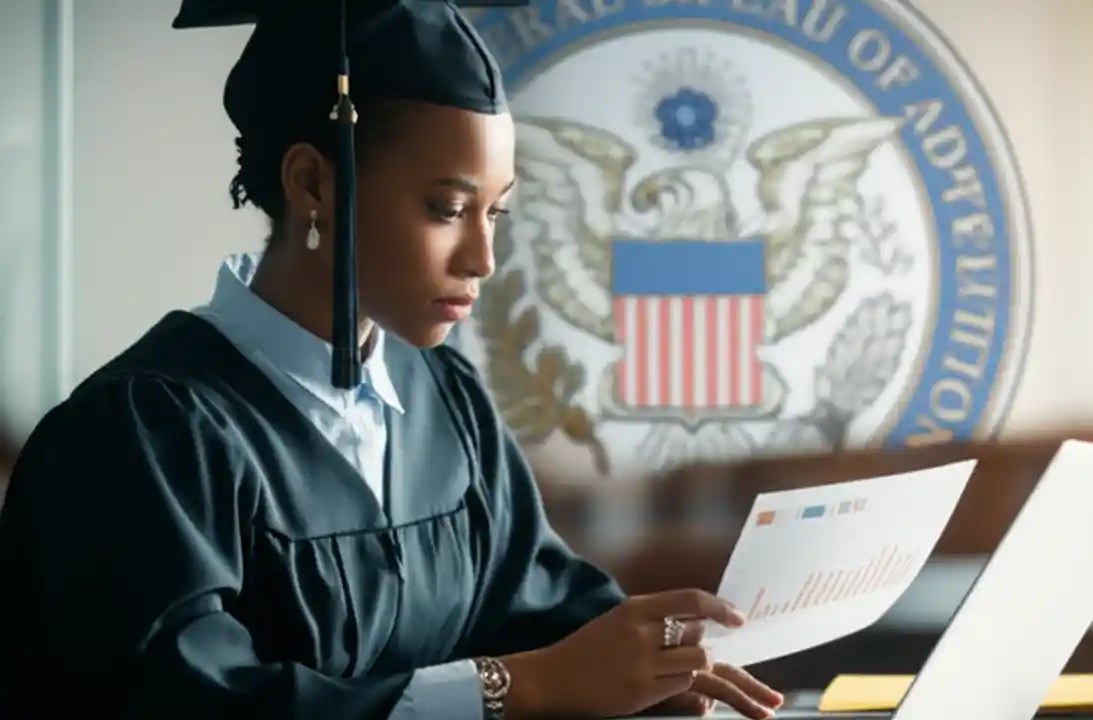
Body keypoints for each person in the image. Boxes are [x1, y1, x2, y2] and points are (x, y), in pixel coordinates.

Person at [0, 1, 786, 718]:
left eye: (496, 213)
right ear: (313, 183)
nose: (482, 257)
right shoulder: (146, 433)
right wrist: (522, 691)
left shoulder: (445, 397)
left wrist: (665, 669)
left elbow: (541, 606)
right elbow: (191, 701)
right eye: (447, 209)